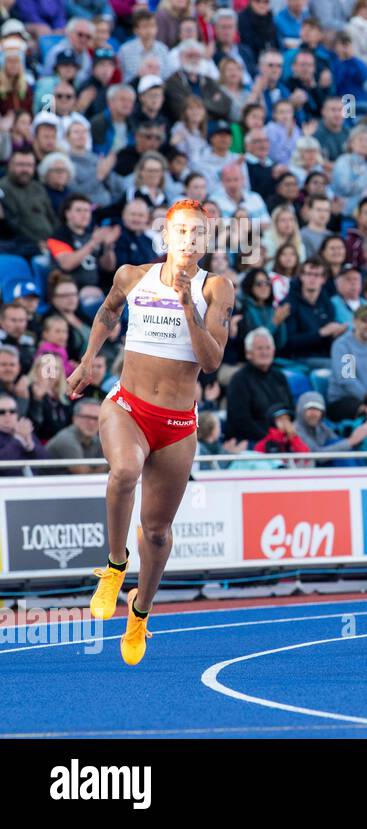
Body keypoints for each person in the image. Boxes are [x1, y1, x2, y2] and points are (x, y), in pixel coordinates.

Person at [71, 199, 236, 665]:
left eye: (197, 234)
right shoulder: (131, 274)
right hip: (127, 406)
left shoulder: (217, 289)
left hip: (178, 425)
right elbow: (107, 313)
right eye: (180, 231)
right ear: (165, 237)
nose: (188, 240)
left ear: (205, 242)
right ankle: (114, 565)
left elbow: (211, 362)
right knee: (123, 471)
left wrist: (188, 305)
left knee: (159, 533)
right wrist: (86, 361)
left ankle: (140, 612)